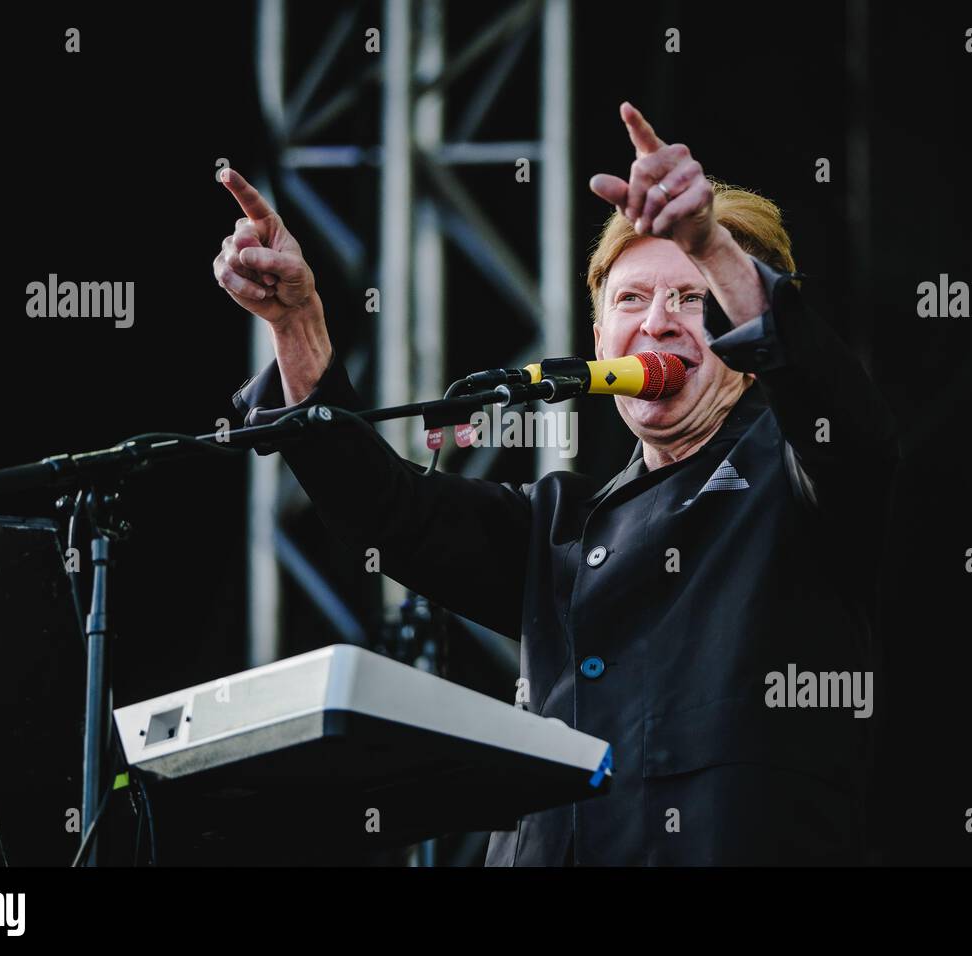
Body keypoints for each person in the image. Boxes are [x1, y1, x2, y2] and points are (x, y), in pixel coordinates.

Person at [213, 102, 898, 865]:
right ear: (599, 337)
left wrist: (712, 243)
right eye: (630, 300)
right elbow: (386, 508)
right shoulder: (560, 523)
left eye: (693, 296)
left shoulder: (800, 473)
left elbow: (844, 416)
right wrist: (299, 324)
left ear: (747, 325)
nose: (659, 324)